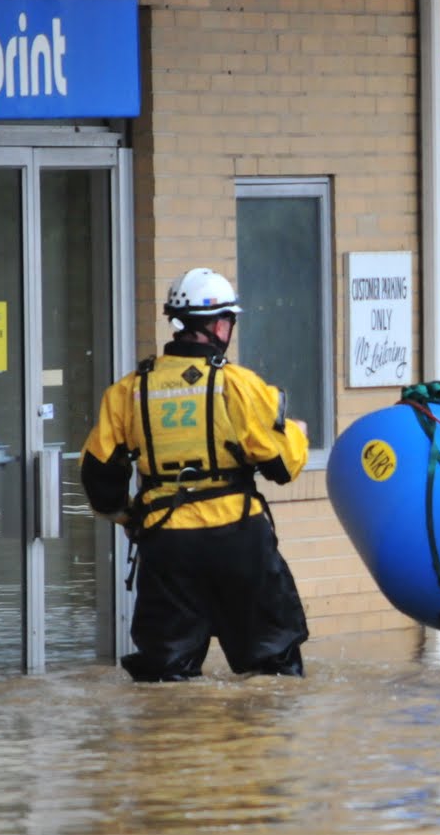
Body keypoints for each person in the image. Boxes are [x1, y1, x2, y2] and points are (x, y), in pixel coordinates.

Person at [80, 267, 311, 682]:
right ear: (221, 324)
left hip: (168, 544)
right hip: (239, 538)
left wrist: (129, 518)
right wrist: (297, 435)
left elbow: (99, 477)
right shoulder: (239, 385)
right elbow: (282, 467)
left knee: (167, 675)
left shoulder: (130, 390)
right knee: (271, 666)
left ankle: (172, 745)